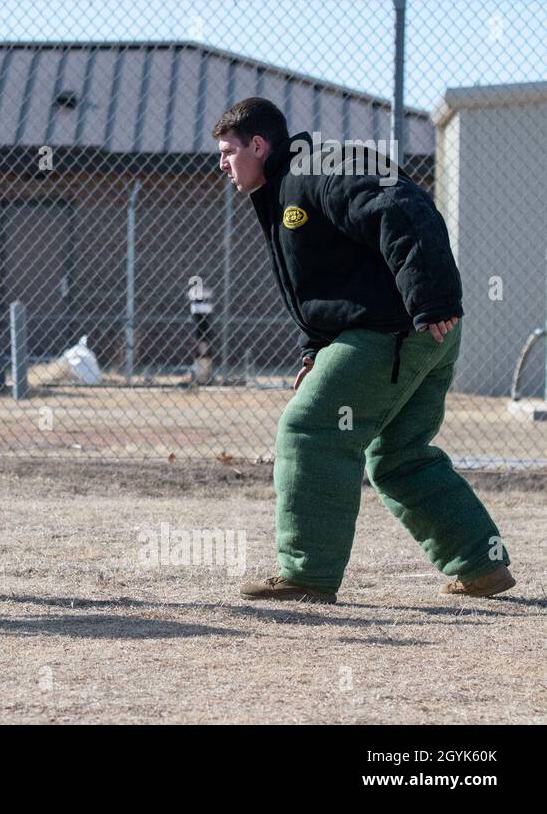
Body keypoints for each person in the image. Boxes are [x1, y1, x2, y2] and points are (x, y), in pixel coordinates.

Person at [212, 97, 513, 604]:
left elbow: (402, 207)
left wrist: (432, 298)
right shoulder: (284, 191)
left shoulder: (318, 169)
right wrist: (315, 349)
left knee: (309, 428)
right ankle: (480, 565)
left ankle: (307, 574)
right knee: (398, 455)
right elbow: (332, 282)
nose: (221, 163)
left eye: (227, 151)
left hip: (400, 329)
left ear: (258, 145)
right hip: (420, 330)